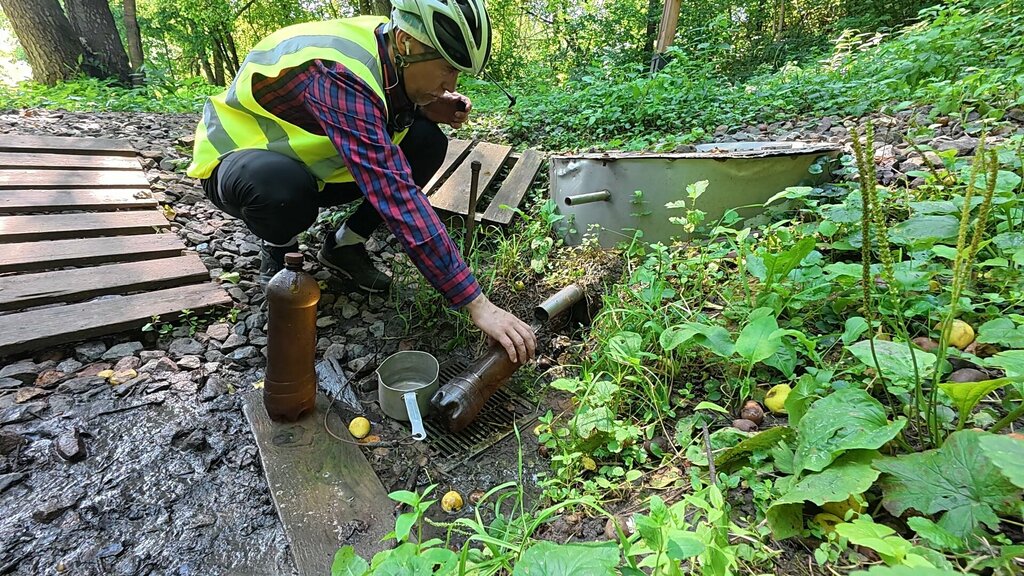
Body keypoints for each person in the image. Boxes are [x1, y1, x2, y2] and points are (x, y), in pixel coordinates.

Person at [185, 0, 536, 363]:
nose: (452, 84)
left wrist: (426, 104)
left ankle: (343, 246)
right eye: (447, 68)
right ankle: (280, 252)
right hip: (239, 162)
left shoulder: (388, 44)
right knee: (283, 191)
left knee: (428, 141)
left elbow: (382, 100)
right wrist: (475, 302)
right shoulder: (336, 72)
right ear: (407, 43)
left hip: (317, 167)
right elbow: (395, 193)